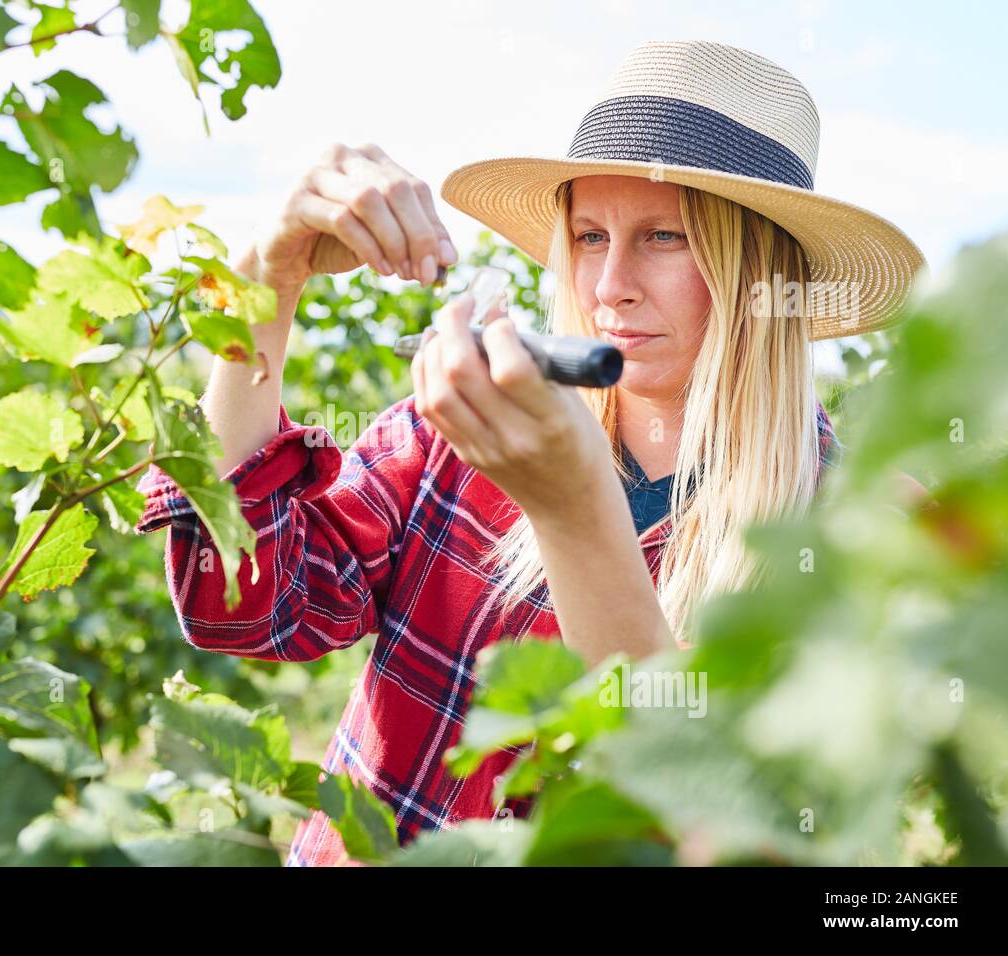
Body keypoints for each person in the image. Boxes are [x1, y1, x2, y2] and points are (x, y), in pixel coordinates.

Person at [134, 40, 927, 866]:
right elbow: (243, 607)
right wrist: (265, 282)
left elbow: (712, 834)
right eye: (588, 236)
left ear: (759, 270)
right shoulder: (461, 435)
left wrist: (574, 513)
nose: (608, 284)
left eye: (662, 236)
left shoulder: (858, 534)